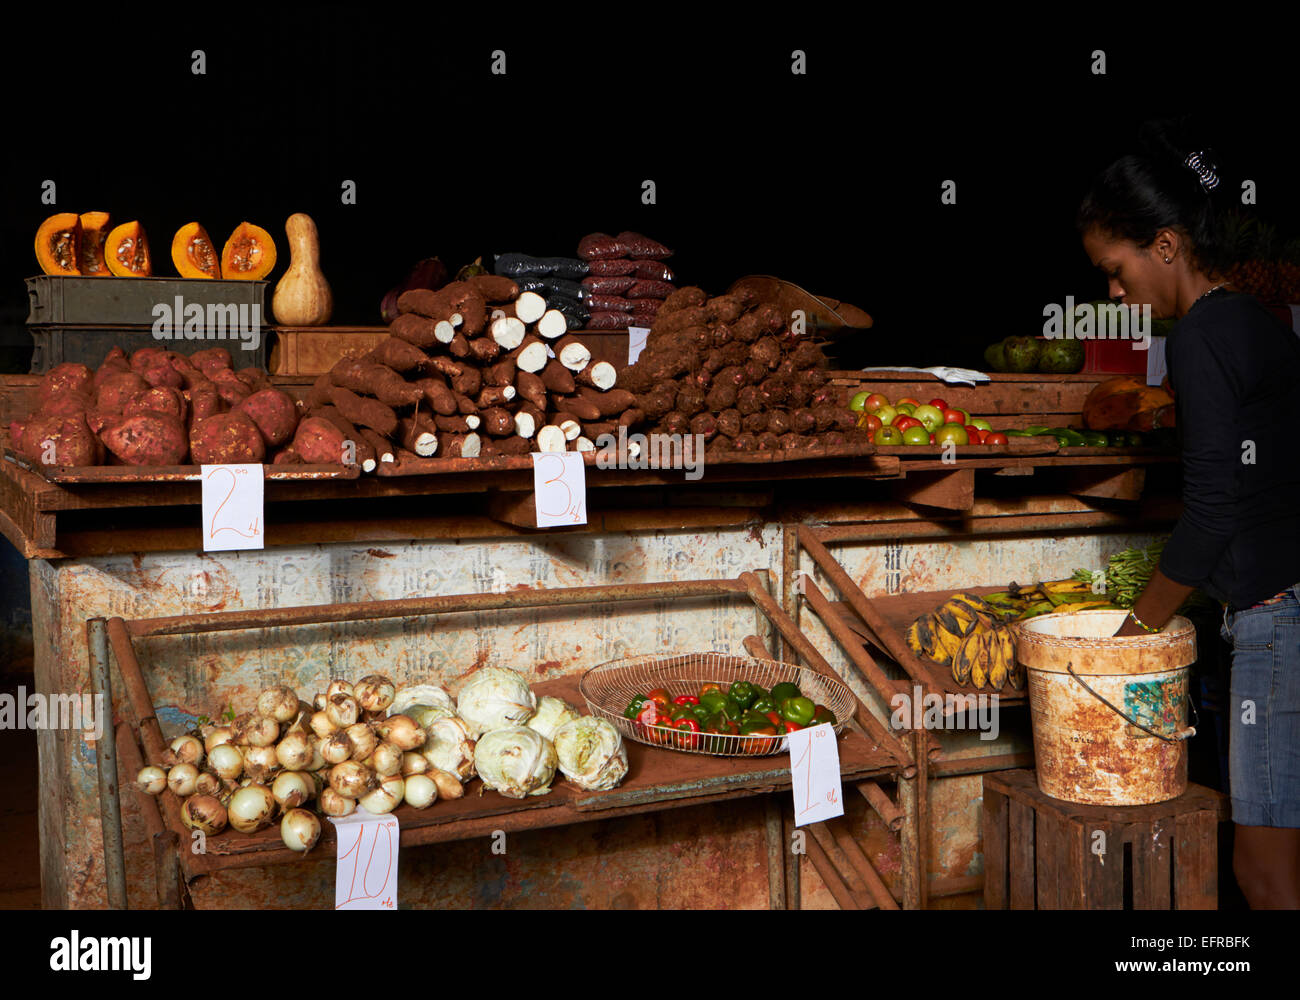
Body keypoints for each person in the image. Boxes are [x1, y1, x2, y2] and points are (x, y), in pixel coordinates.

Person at [1076, 121, 1300, 909]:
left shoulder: (1200, 339)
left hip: (1278, 619)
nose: (1111, 292)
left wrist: (1127, 642)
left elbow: (1208, 518)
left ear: (1165, 245)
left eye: (1114, 269)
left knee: (1264, 874)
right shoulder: (1256, 322)